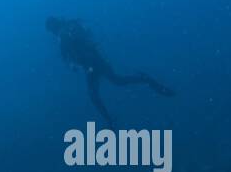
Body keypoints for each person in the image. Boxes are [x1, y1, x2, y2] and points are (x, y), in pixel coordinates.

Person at [46, 16, 174, 127]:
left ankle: (110, 120)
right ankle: (146, 80)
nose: (52, 32)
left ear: (53, 28)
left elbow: (66, 57)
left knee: (97, 94)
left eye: (51, 30)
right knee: (117, 81)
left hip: (92, 65)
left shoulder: (63, 35)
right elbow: (82, 45)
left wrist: (73, 66)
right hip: (96, 61)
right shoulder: (70, 27)